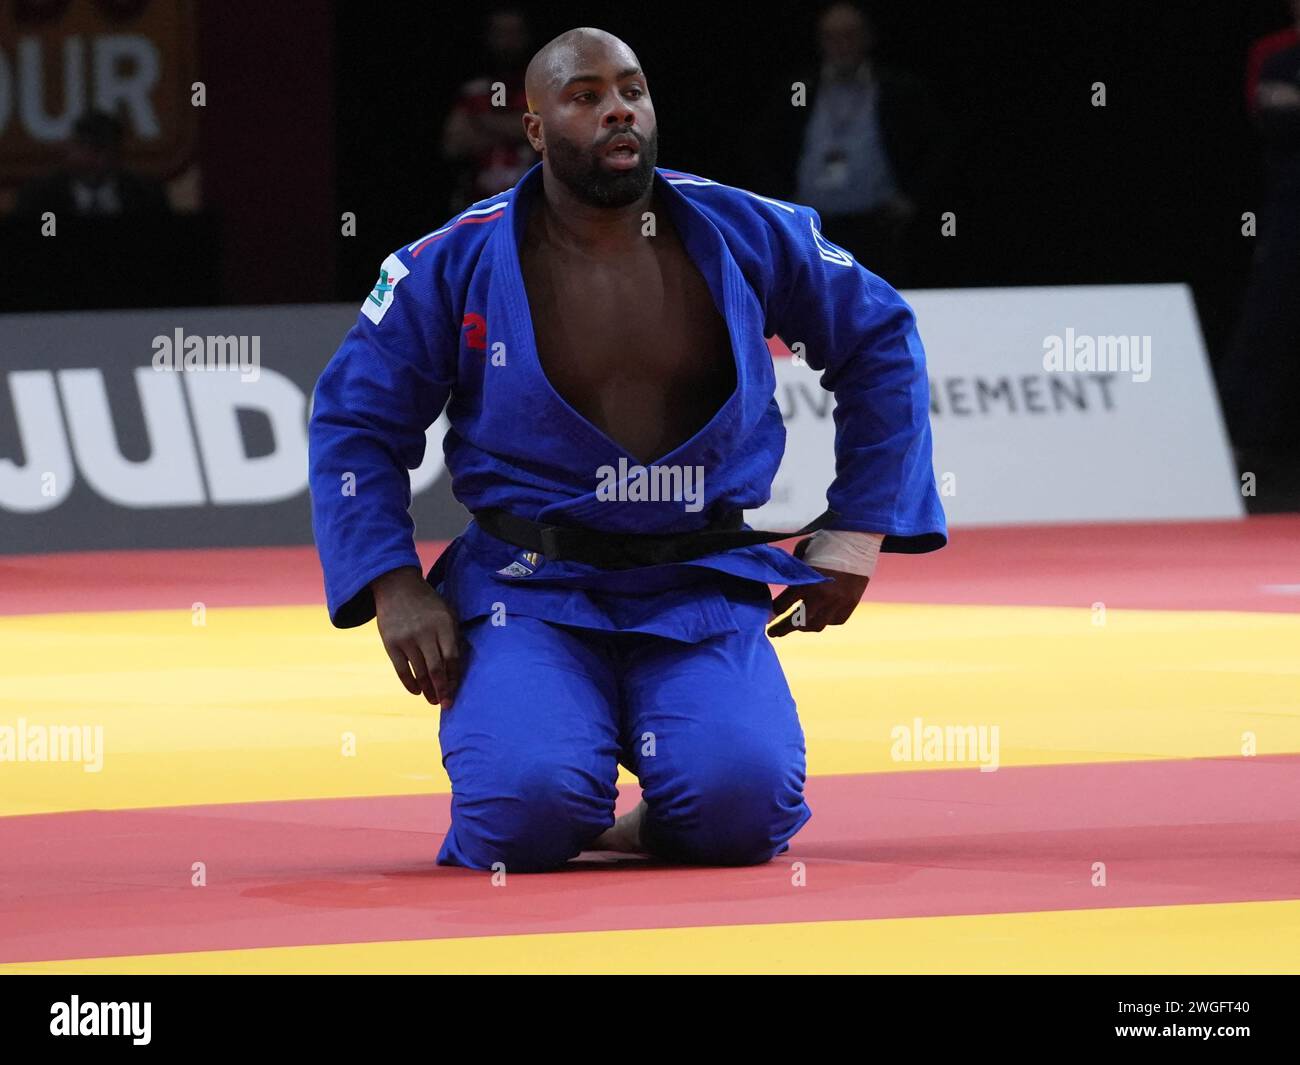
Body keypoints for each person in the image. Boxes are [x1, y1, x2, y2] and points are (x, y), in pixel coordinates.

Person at [308, 27, 946, 873]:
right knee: (523, 817)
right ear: (535, 130)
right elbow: (355, 417)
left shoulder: (742, 229)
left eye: (632, 91)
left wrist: (859, 526)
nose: (618, 110)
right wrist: (392, 584)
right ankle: (553, 772)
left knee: (743, 810)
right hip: (525, 586)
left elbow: (882, 338)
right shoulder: (452, 260)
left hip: (696, 581)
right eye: (585, 96)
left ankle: (638, 825)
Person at [440, 6, 538, 213]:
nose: (507, 42)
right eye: (501, 33)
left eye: (514, 33)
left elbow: (546, 133)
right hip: (476, 205)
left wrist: (482, 121)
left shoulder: (540, 87)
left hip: (530, 203)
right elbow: (454, 145)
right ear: (488, 37)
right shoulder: (472, 91)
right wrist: (516, 129)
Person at [14, 110, 170, 218]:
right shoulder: (39, 198)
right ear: (71, 148)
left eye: (101, 149)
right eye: (85, 148)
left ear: (117, 152)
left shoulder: (147, 197)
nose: (95, 159)